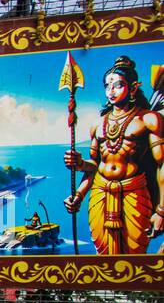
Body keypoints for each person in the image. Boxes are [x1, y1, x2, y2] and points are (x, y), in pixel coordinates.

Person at [63, 55, 164, 255]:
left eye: (118, 85)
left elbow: (162, 165)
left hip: (134, 195)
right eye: (107, 86)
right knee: (103, 258)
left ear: (133, 88)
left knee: (134, 258)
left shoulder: (149, 119)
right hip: (100, 195)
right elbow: (95, 165)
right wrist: (79, 185)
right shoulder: (98, 124)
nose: (111, 91)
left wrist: (161, 211)